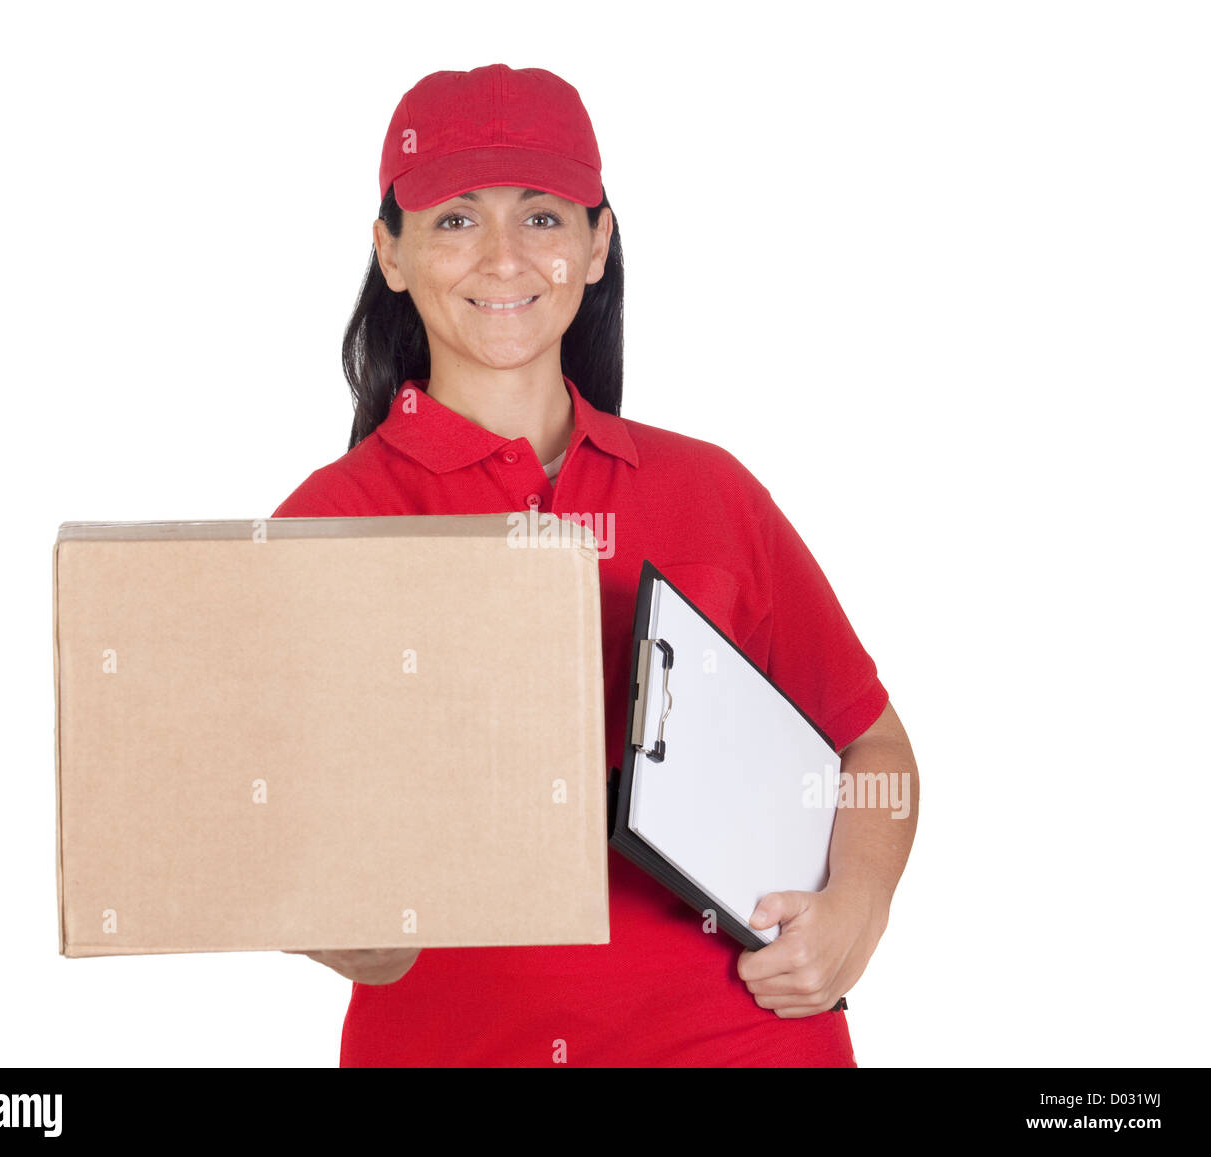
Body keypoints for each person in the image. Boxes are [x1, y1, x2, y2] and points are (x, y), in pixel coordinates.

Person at [273, 63, 919, 1067]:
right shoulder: (324, 525)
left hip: (740, 1041)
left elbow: (872, 749)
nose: (501, 257)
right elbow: (256, 816)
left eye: (541, 216)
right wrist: (328, 922)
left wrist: (858, 906)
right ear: (389, 253)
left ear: (595, 245)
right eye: (453, 219)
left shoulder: (709, 490)